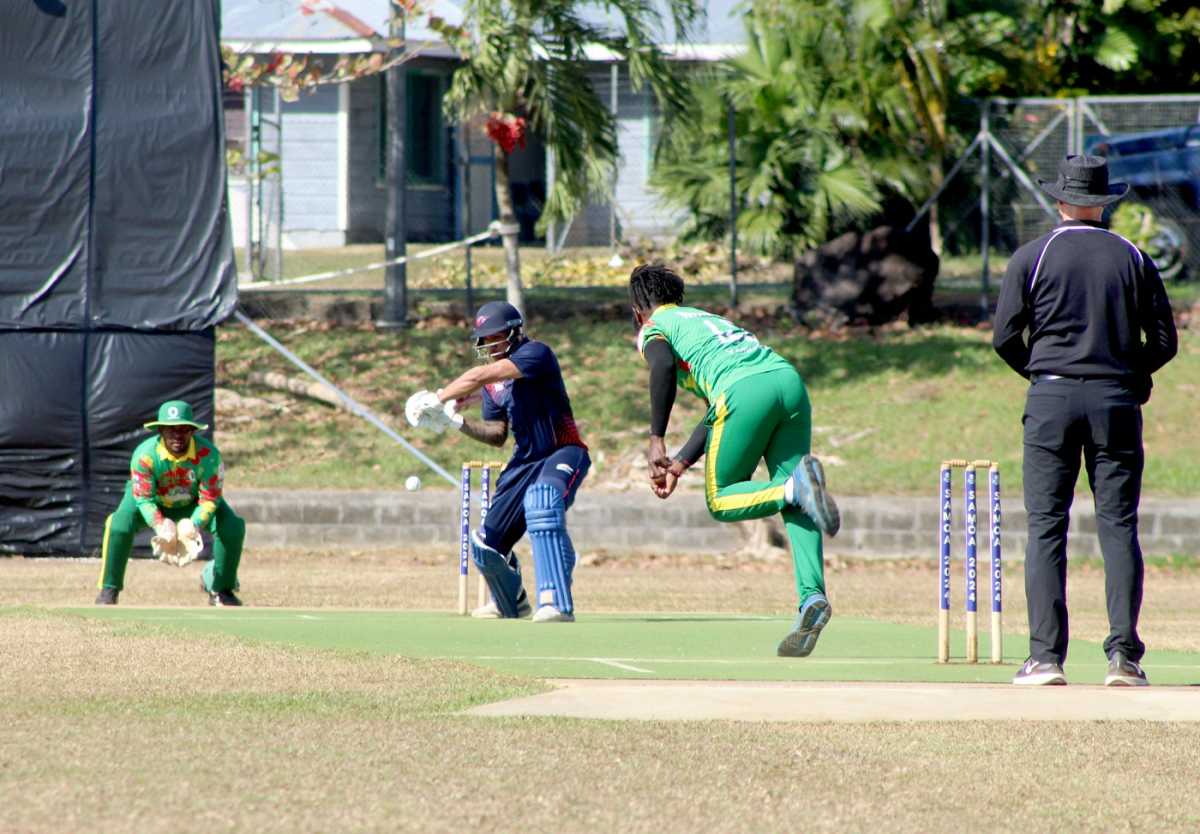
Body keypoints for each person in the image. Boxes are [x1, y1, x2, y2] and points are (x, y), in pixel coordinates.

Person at [993, 154, 1177, 686]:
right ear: (1106, 202)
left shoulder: (1034, 254)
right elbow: (1164, 341)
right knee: (1118, 525)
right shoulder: (1133, 257)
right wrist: (1130, 375)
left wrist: (1042, 373)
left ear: (1059, 199)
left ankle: (1046, 658)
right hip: (1115, 401)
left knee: (1047, 526)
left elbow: (1005, 336)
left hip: (1050, 401)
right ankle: (1124, 656)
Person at [628, 263, 841, 657]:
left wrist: (656, 439)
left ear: (638, 308)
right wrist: (679, 464)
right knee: (793, 498)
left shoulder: (655, 326)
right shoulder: (709, 322)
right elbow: (716, 414)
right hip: (787, 383)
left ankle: (797, 487)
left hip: (744, 392)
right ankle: (812, 599)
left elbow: (661, 367)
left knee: (722, 499)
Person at [406, 301, 590, 622]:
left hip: (562, 450)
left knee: (542, 503)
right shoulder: (492, 387)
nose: (486, 344)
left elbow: (482, 374)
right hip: (523, 462)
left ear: (515, 332)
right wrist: (456, 423)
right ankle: (511, 602)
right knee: (486, 545)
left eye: (493, 337)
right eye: (483, 339)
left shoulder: (536, 354)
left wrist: (438, 398)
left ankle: (555, 601)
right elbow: (496, 435)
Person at [95, 400, 246, 606]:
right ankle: (109, 589)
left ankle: (221, 589)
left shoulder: (209, 456)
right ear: (160, 431)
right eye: (170, 430)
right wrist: (159, 523)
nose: (177, 436)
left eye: (183, 429)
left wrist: (193, 525)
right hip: (152, 500)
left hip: (193, 501)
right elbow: (144, 498)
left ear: (192, 431)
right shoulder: (145, 455)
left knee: (232, 527)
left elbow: (210, 498)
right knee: (118, 524)